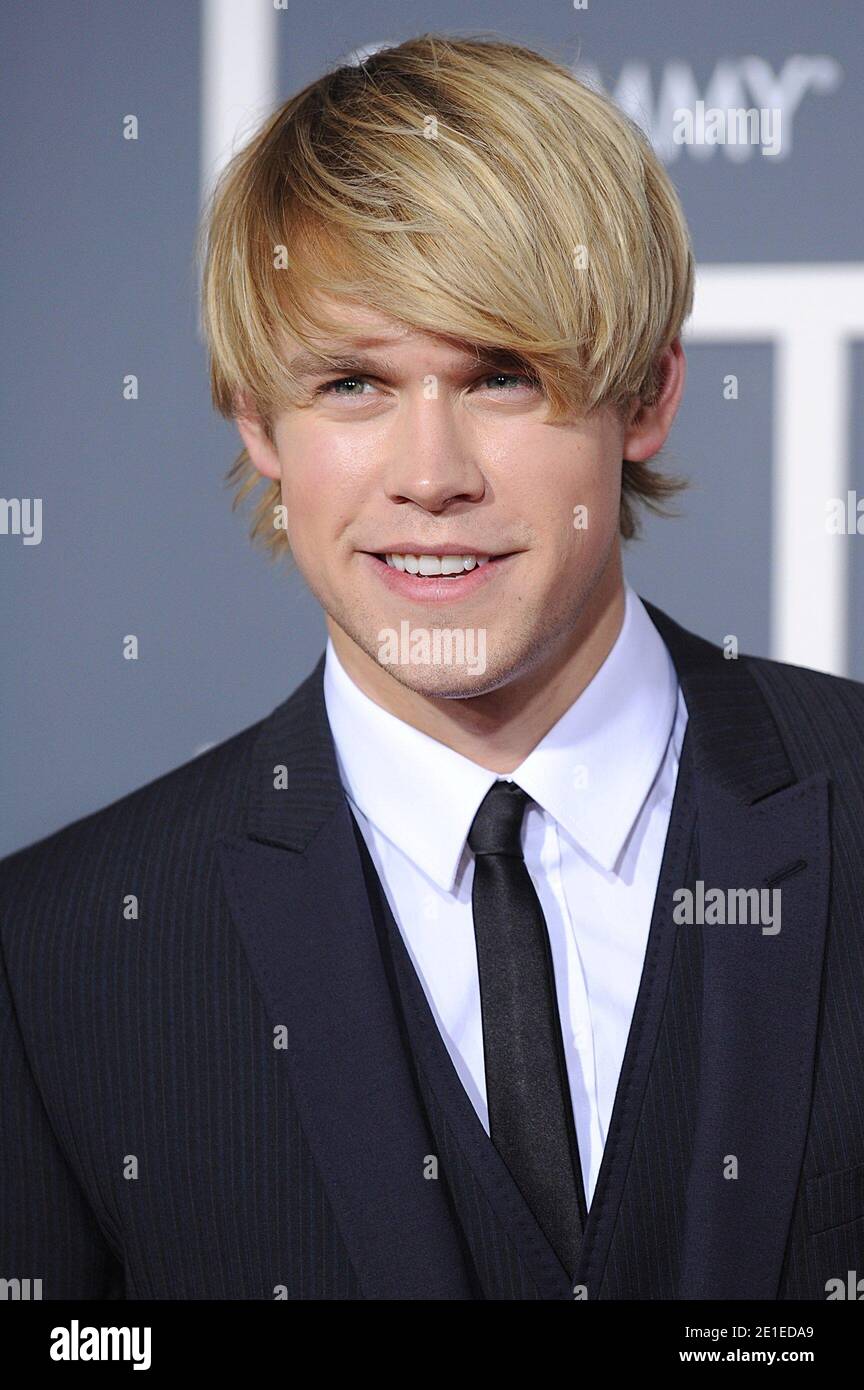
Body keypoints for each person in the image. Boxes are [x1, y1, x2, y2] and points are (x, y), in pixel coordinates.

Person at [2, 33, 862, 1302]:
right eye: (353, 383)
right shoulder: (59, 958)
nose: (430, 471)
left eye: (501, 374)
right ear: (258, 422)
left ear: (647, 397)